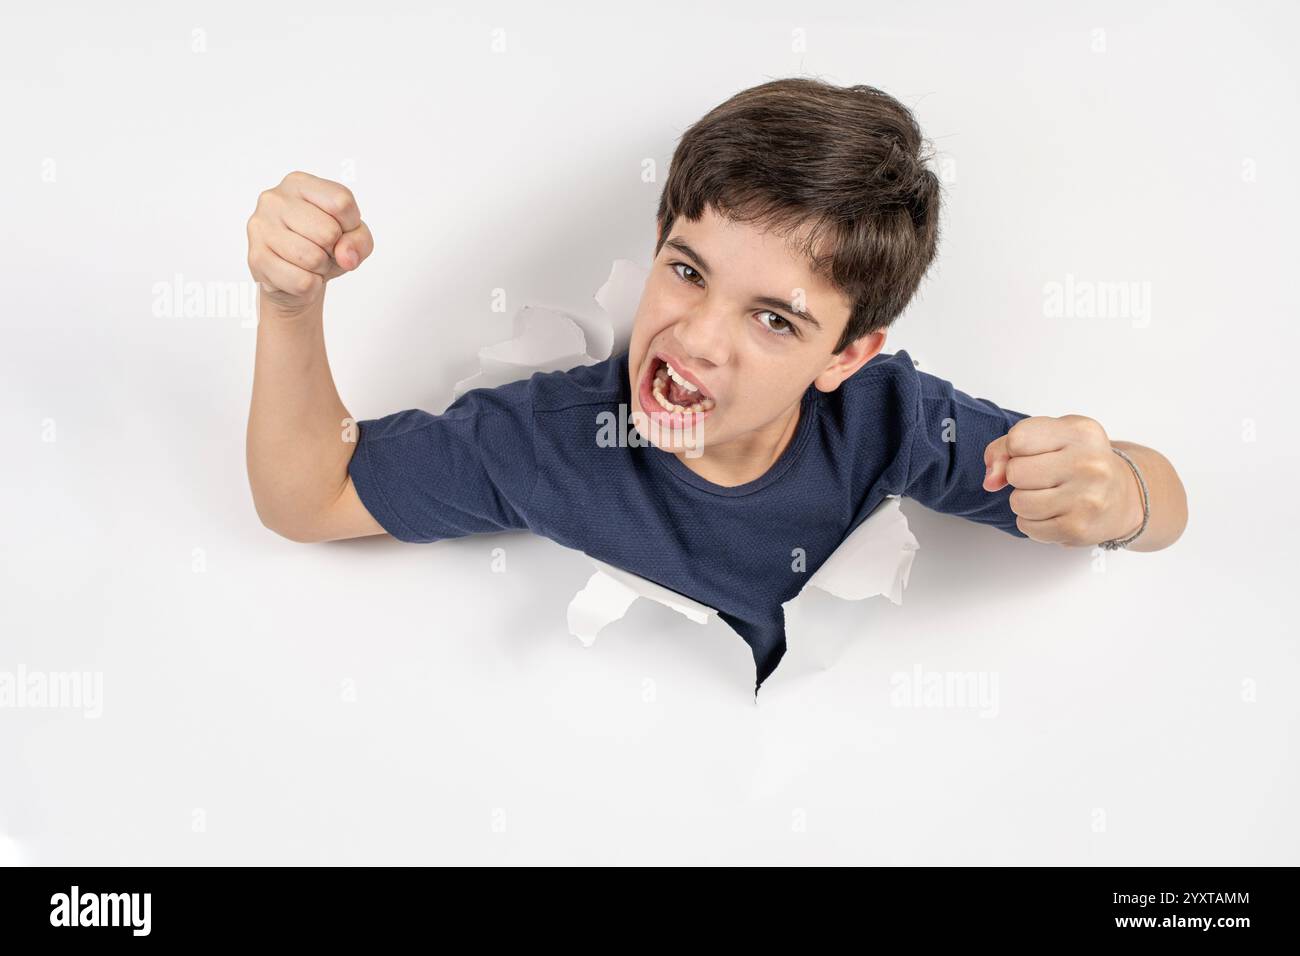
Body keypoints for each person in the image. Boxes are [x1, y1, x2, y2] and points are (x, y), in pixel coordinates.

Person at [244, 78, 1188, 691]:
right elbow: (310, 493)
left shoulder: (889, 421)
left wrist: (1121, 495)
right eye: (687, 271)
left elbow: (1165, 500)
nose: (696, 340)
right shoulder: (554, 439)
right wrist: (289, 308)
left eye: (774, 319)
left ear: (844, 358)